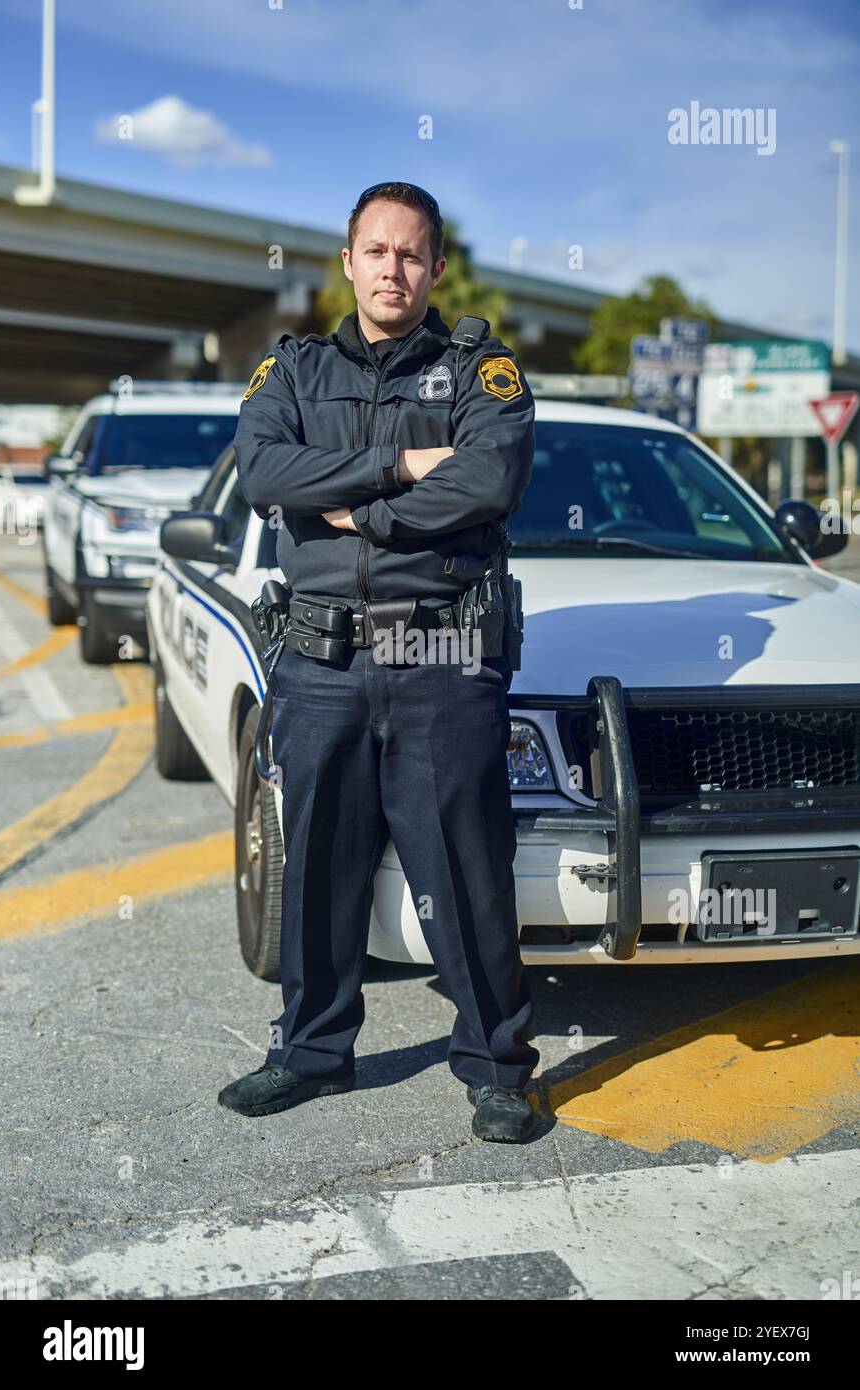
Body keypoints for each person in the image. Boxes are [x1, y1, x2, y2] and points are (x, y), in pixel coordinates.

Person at [219, 181, 540, 1142]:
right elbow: (261, 470)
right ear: (348, 262)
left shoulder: (482, 369)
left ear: (435, 268)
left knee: (466, 870)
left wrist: (366, 517)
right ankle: (312, 1053)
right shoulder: (293, 369)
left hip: (440, 658)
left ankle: (497, 1068)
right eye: (377, 251)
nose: (393, 269)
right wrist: (400, 469)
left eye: (412, 254)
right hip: (320, 663)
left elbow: (491, 478)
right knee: (316, 866)